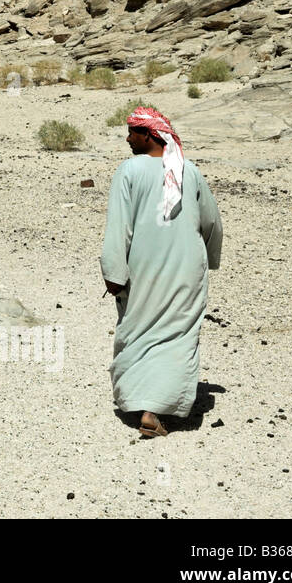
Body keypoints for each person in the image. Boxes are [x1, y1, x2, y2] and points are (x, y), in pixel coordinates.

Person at [100, 106, 223, 437]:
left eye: (132, 132)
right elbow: (211, 222)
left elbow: (118, 228)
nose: (128, 138)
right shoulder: (190, 171)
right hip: (186, 268)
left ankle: (145, 403)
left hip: (143, 268)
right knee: (177, 333)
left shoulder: (129, 171)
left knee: (139, 330)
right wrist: (210, 259)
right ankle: (157, 406)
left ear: (150, 135)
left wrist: (113, 271)